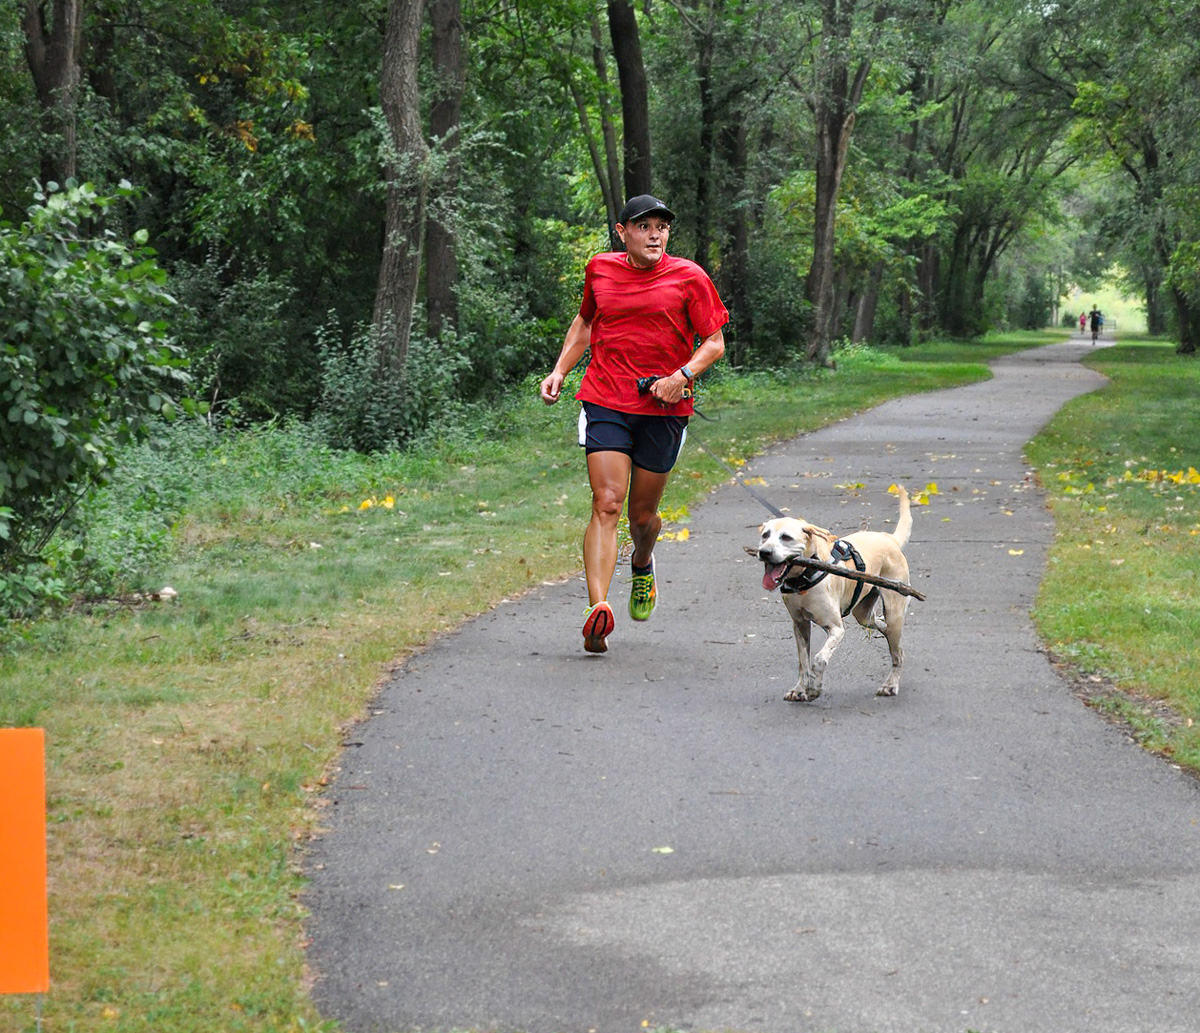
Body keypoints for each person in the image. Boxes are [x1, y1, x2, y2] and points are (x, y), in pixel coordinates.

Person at [539, 194, 728, 653]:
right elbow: (586, 322)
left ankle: (642, 561)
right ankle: (597, 612)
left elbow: (714, 342)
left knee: (641, 517)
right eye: (644, 226)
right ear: (622, 232)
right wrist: (560, 370)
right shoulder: (600, 269)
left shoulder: (689, 276)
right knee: (606, 502)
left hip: (664, 409)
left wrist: (681, 376)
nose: (655, 234)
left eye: (662, 227)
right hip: (606, 398)